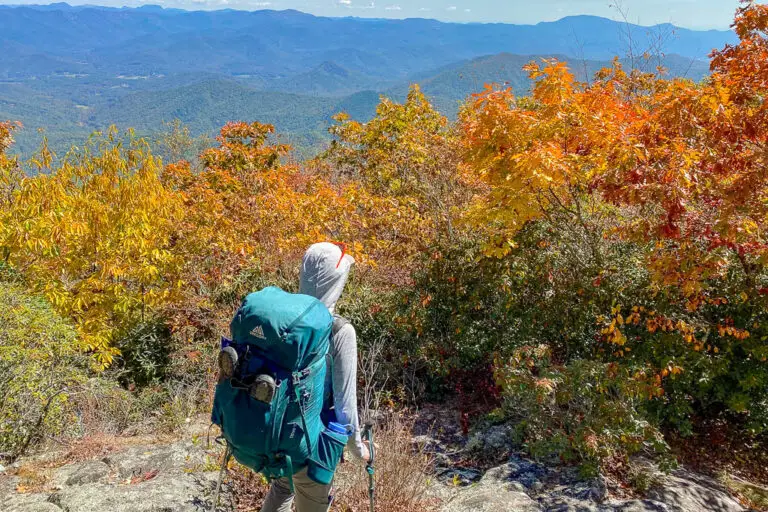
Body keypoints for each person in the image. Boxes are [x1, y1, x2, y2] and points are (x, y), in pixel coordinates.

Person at [260, 242, 370, 512]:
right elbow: (345, 405)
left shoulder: (283, 320)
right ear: (338, 280)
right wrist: (360, 451)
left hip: (272, 434)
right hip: (310, 443)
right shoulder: (340, 331)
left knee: (283, 487)